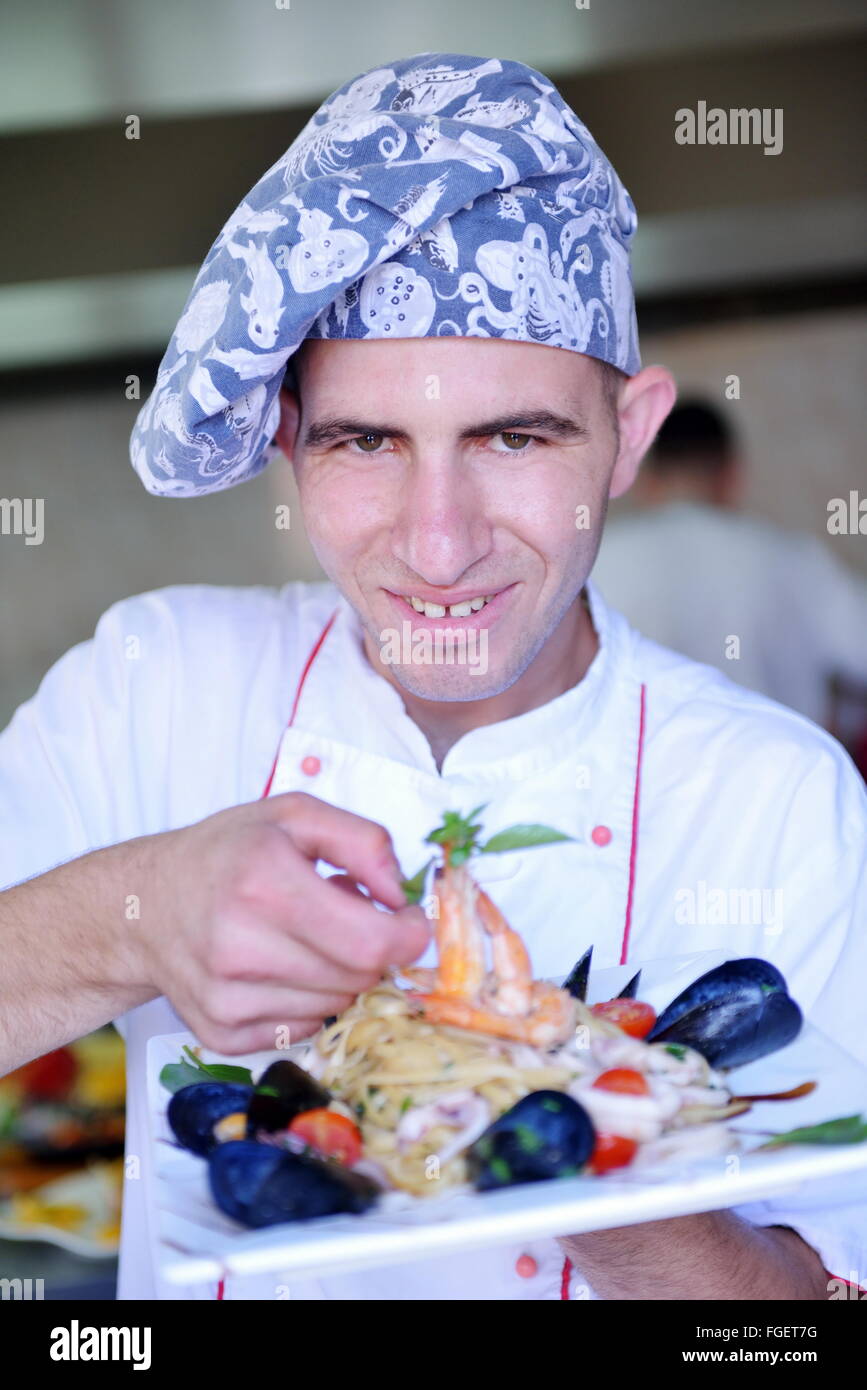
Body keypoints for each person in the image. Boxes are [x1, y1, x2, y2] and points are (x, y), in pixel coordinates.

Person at [1, 53, 865, 1303]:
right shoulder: (152, 684)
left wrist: (595, 1144)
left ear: (631, 435)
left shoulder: (778, 802)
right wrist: (133, 907)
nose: (440, 542)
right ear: (291, 444)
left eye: (515, 437)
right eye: (367, 442)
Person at [593, 400, 867, 725]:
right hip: (785, 769)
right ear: (733, 474)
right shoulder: (795, 559)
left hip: (642, 773)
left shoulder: (600, 561)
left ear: (644, 476)